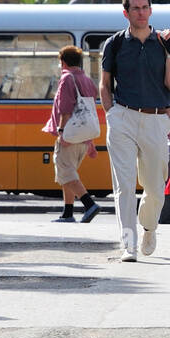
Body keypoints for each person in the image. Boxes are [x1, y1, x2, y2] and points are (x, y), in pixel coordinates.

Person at [100, 0, 170, 261]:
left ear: (150, 10)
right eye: (135, 8)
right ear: (126, 13)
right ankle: (129, 244)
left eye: (145, 7)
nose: (141, 12)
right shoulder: (114, 43)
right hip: (122, 117)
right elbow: (105, 83)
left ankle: (149, 227)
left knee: (156, 187)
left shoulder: (164, 42)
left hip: (157, 118)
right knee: (123, 185)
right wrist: (111, 113)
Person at [42, 46, 104, 224]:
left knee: (66, 172)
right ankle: (67, 213)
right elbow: (89, 111)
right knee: (69, 174)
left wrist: (62, 133)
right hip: (83, 136)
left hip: (70, 134)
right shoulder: (87, 80)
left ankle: (89, 204)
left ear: (63, 62)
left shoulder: (67, 78)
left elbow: (65, 109)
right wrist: (90, 141)